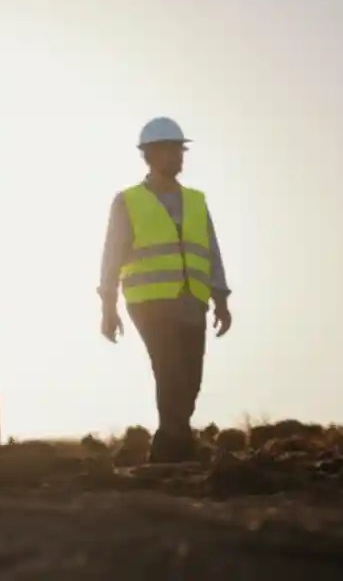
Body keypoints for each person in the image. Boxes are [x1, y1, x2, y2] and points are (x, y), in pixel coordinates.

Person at [98, 116, 233, 463]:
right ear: (150, 155)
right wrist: (108, 307)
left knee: (190, 378)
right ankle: (171, 448)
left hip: (192, 300)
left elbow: (211, 250)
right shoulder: (128, 201)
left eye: (180, 150)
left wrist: (221, 298)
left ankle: (175, 439)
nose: (178, 157)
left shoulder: (196, 201)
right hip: (150, 302)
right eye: (170, 150)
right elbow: (112, 254)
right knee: (169, 369)